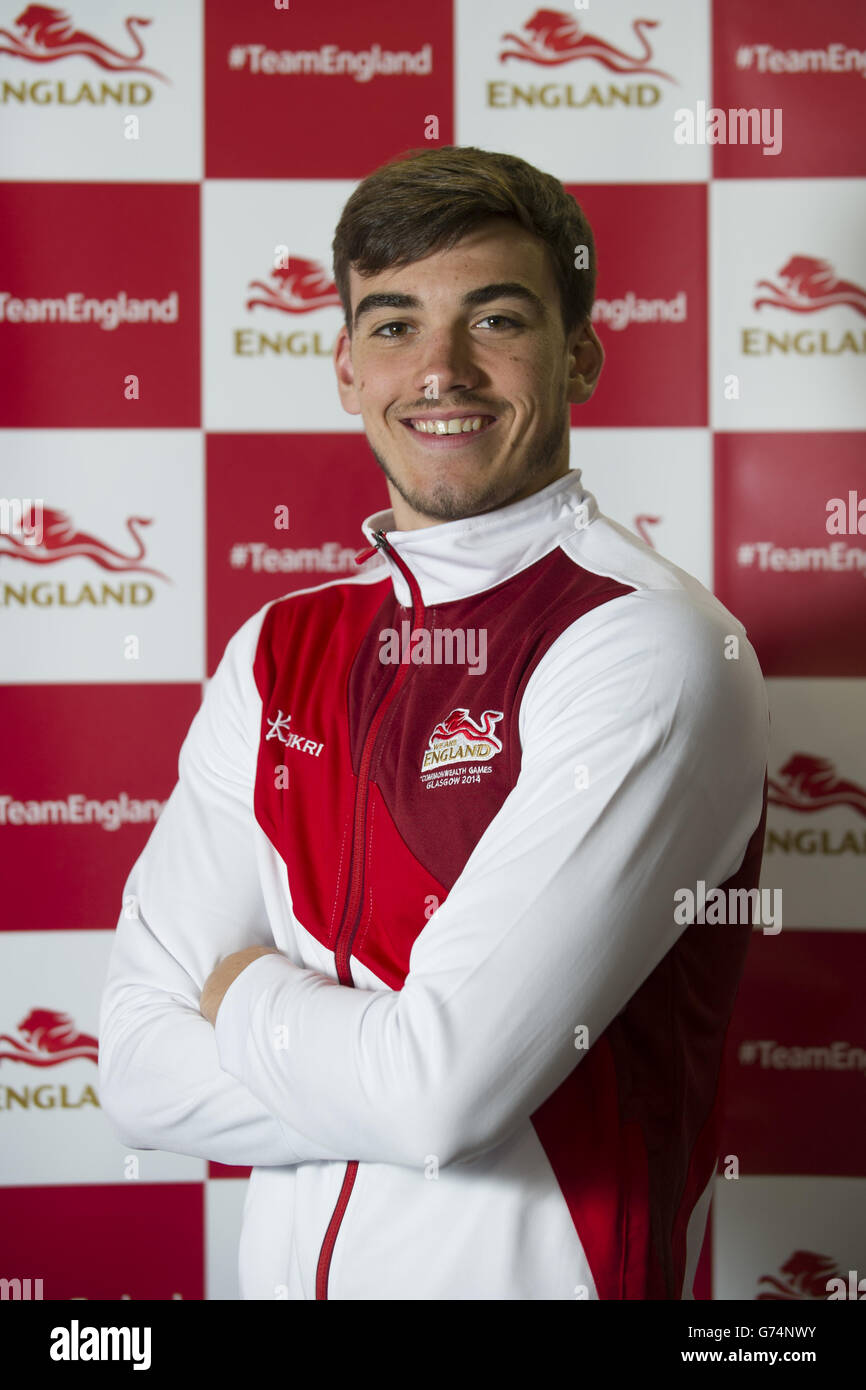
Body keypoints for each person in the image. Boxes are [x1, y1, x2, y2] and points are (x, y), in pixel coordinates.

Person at [99, 145, 769, 1300]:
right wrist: (374, 1055)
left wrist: (242, 992)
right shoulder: (276, 649)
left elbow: (438, 1092)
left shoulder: (647, 645)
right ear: (345, 366)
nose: (440, 371)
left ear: (580, 354)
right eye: (394, 323)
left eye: (495, 318)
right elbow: (135, 1074)